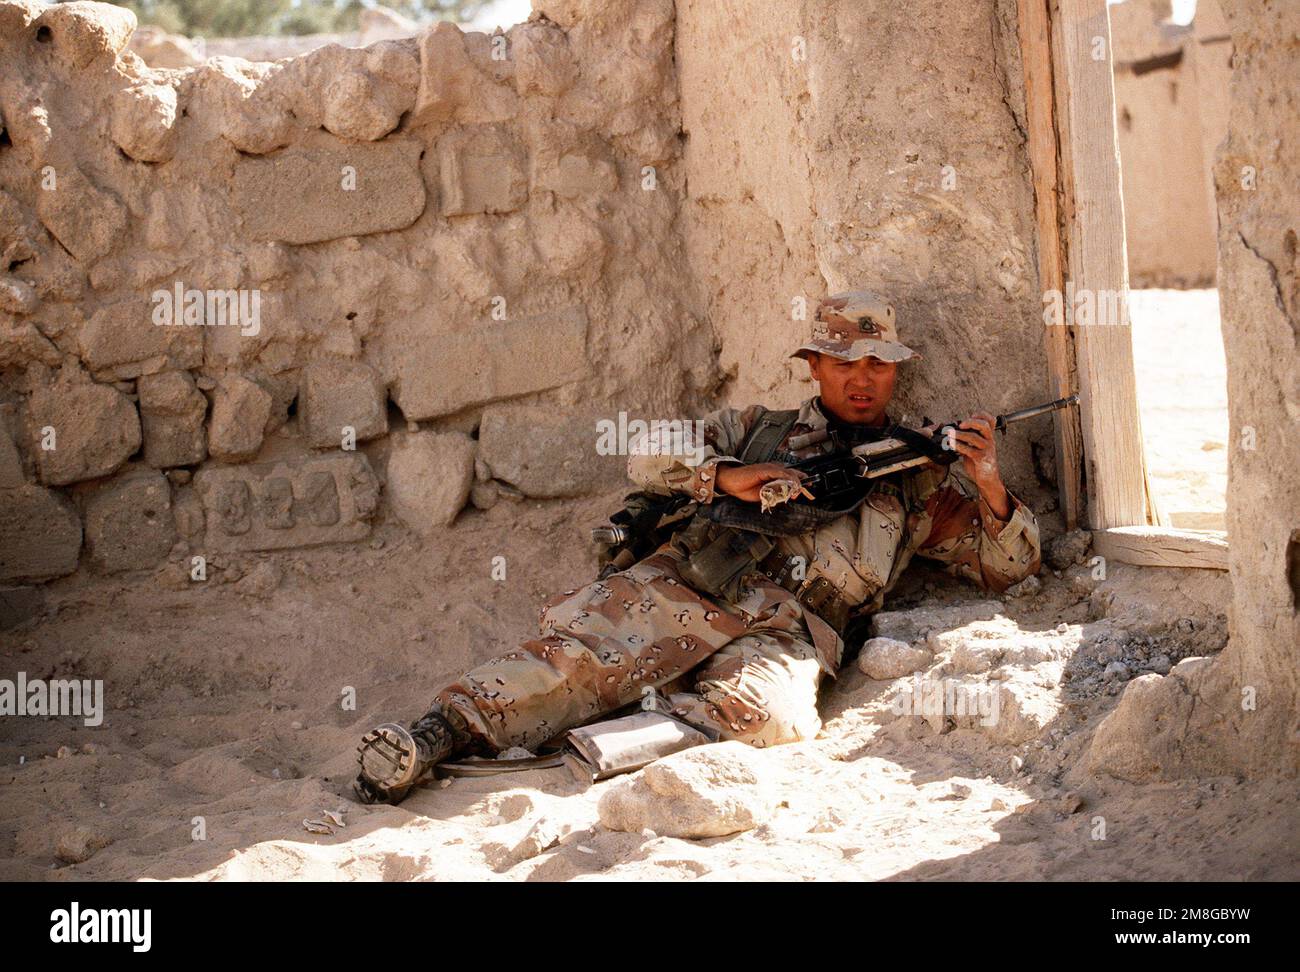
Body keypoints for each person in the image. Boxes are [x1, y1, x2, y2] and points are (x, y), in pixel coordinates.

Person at [353, 290, 1041, 804]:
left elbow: (1009, 568)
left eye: (876, 365)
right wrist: (726, 477)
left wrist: (987, 481)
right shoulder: (756, 429)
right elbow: (648, 453)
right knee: (568, 665)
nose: (859, 379)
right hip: (681, 589)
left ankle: (617, 739)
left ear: (896, 373)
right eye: (841, 362)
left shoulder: (915, 481)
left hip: (782, 632)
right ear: (814, 368)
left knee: (774, 717)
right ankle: (430, 738)